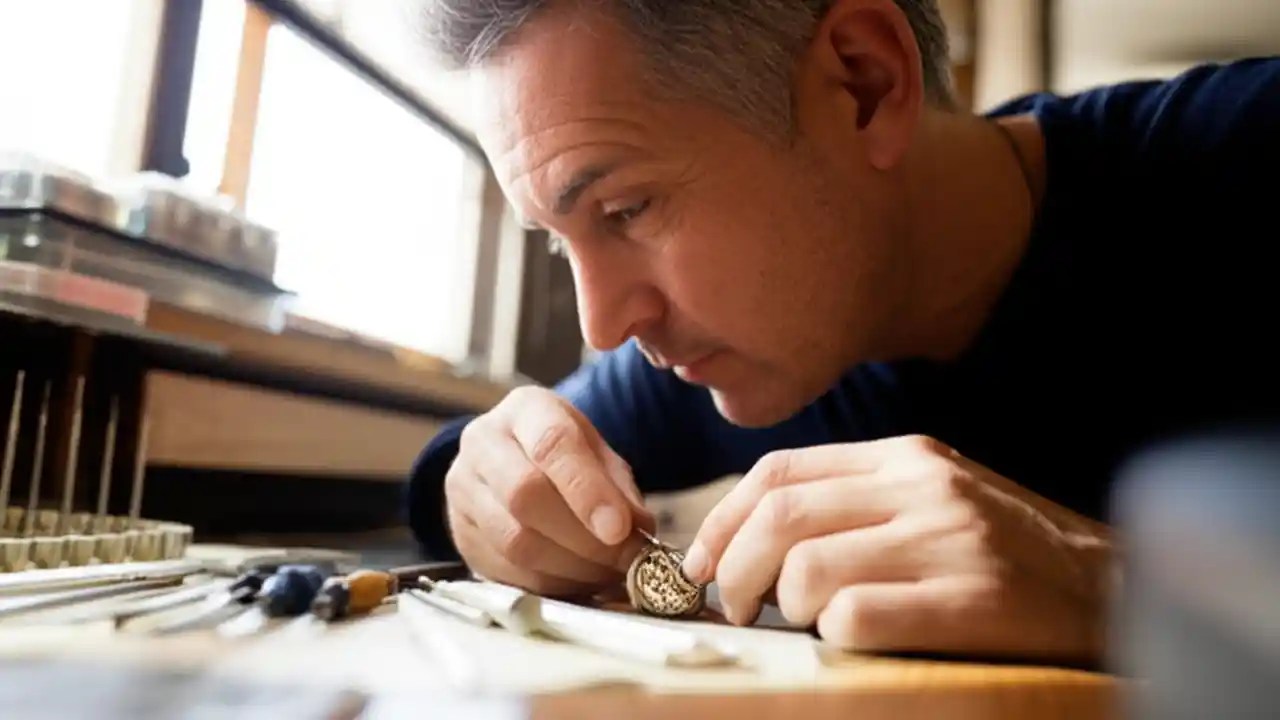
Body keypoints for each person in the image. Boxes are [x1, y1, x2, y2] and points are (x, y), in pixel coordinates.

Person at [405, 0, 1280, 665]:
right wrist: (478, 487)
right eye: (559, 243)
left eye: (627, 209)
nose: (603, 323)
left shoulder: (1243, 151)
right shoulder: (715, 355)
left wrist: (1120, 590)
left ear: (865, 84)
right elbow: (471, 462)